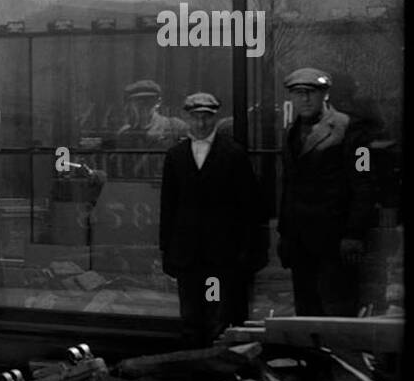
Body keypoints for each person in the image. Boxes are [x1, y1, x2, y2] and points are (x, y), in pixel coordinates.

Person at [159, 93, 265, 348]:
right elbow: (169, 207)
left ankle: (218, 367)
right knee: (191, 316)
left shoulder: (233, 154)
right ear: (187, 119)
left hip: (221, 256)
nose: (201, 124)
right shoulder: (175, 156)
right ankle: (195, 368)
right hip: (188, 255)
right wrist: (167, 251)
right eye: (196, 118)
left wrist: (247, 250)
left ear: (214, 118)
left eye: (206, 117)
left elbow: (248, 207)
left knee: (219, 314)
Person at [278, 67, 374, 317]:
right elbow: (289, 187)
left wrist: (354, 234)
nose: (305, 99)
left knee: (337, 316)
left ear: (325, 95)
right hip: (300, 243)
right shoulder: (290, 132)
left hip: (335, 243)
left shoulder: (348, 128)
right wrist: (285, 234)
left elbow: (363, 186)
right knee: (306, 315)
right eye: (299, 93)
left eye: (312, 93)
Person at [110, 79, 188, 181]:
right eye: (138, 101)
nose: (143, 105)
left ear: (158, 102)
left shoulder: (176, 127)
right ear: (131, 104)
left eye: (148, 100)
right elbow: (122, 170)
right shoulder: (125, 134)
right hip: (136, 189)